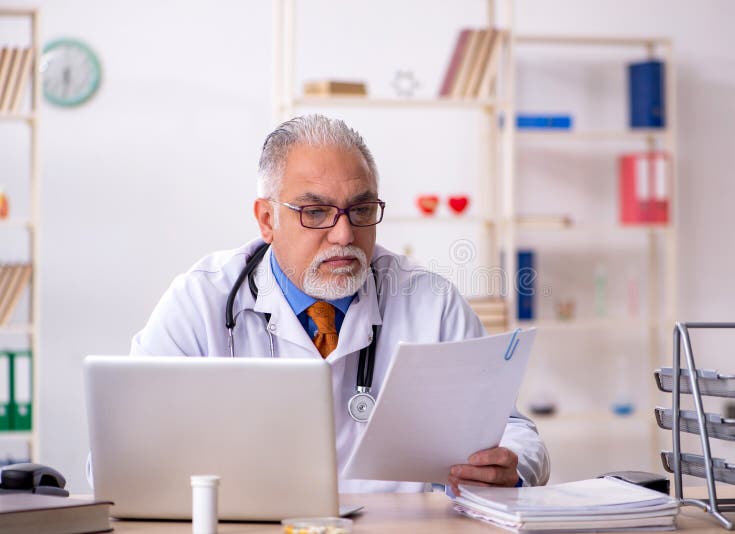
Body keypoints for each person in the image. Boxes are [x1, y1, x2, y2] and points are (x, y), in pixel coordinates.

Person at [131, 114, 550, 494]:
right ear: (266, 220)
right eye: (315, 212)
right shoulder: (200, 302)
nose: (345, 235)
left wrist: (509, 468)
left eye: (361, 209)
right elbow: (124, 457)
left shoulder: (430, 303)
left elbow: (514, 430)